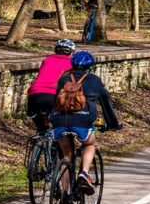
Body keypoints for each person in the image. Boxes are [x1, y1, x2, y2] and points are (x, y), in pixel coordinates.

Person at [51, 50, 122, 194]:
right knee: (89, 144)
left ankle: (65, 193)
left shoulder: (64, 78)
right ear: (91, 66)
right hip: (83, 120)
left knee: (66, 155)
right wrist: (113, 123)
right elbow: (106, 103)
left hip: (60, 119)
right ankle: (84, 173)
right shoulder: (94, 80)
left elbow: (55, 100)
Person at [27, 39, 76, 133]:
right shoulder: (71, 64)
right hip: (54, 95)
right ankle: (55, 143)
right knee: (60, 126)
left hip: (35, 94)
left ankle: (40, 136)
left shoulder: (46, 60)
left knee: (40, 125)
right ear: (71, 53)